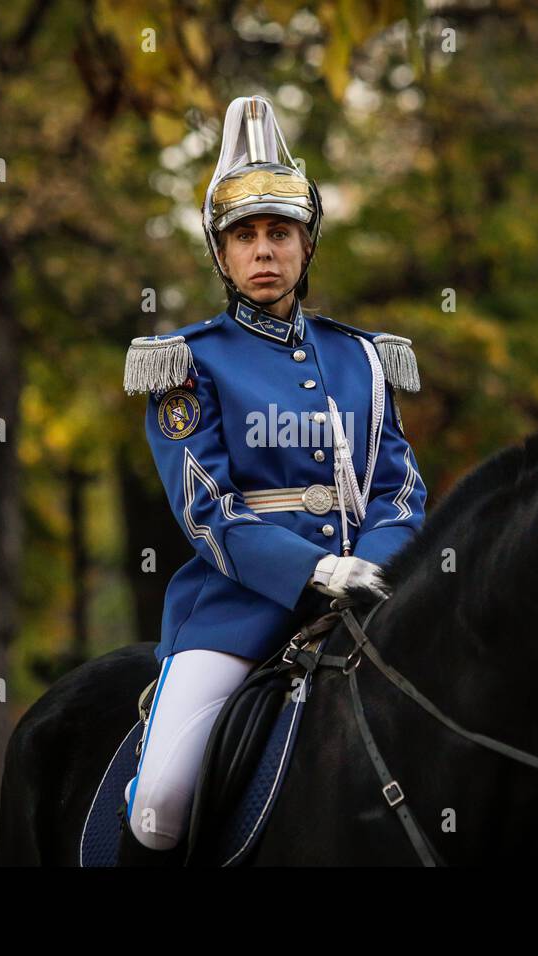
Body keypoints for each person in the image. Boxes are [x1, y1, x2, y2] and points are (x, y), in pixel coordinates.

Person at [118, 95, 427, 859]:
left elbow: (402, 490)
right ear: (219, 254)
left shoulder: (363, 358)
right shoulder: (188, 362)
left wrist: (375, 570)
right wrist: (316, 569)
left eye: (279, 233)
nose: (264, 251)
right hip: (238, 610)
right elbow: (206, 511)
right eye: (245, 236)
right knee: (158, 805)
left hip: (372, 603)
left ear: (306, 246)